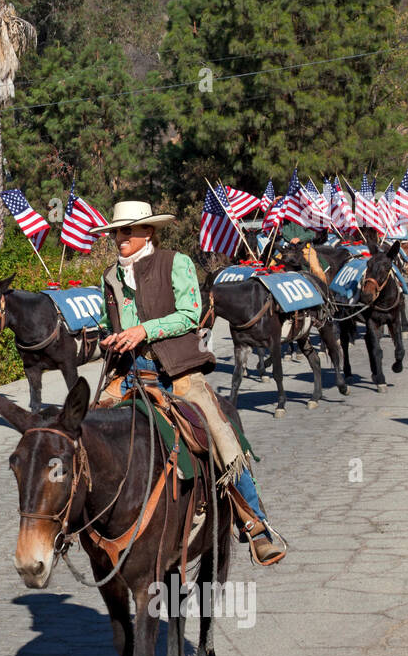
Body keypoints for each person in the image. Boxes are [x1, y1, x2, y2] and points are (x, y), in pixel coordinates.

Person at [90, 201, 283, 565]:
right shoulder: (110, 277)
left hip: (175, 372)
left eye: (127, 231)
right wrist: (108, 336)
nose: (120, 238)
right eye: (117, 232)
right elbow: (106, 318)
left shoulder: (175, 263)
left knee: (221, 435)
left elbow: (189, 315)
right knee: (84, 431)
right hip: (128, 375)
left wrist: (142, 331)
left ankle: (256, 524)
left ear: (148, 232)